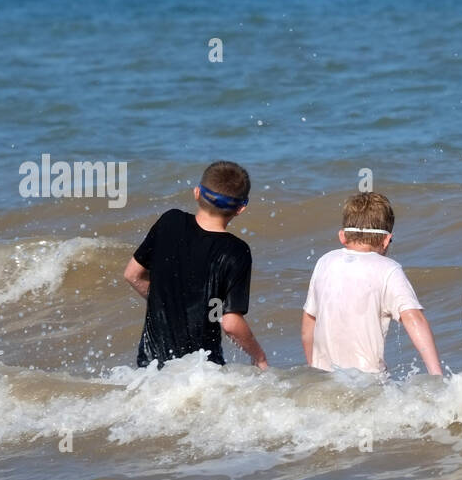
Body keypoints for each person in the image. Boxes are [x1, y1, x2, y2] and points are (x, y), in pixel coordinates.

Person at [123, 160, 268, 369]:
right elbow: (231, 323)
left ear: (197, 193)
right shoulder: (236, 251)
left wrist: (168, 305)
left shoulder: (169, 221)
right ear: (241, 208)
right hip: (202, 372)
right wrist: (259, 356)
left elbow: (132, 274)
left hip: (151, 370)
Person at [302, 192, 442, 375]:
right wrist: (436, 375)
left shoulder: (325, 262)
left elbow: (308, 326)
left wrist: (314, 369)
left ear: (342, 236)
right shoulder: (388, 269)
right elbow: (413, 318)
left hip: (324, 381)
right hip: (367, 382)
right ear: (386, 240)